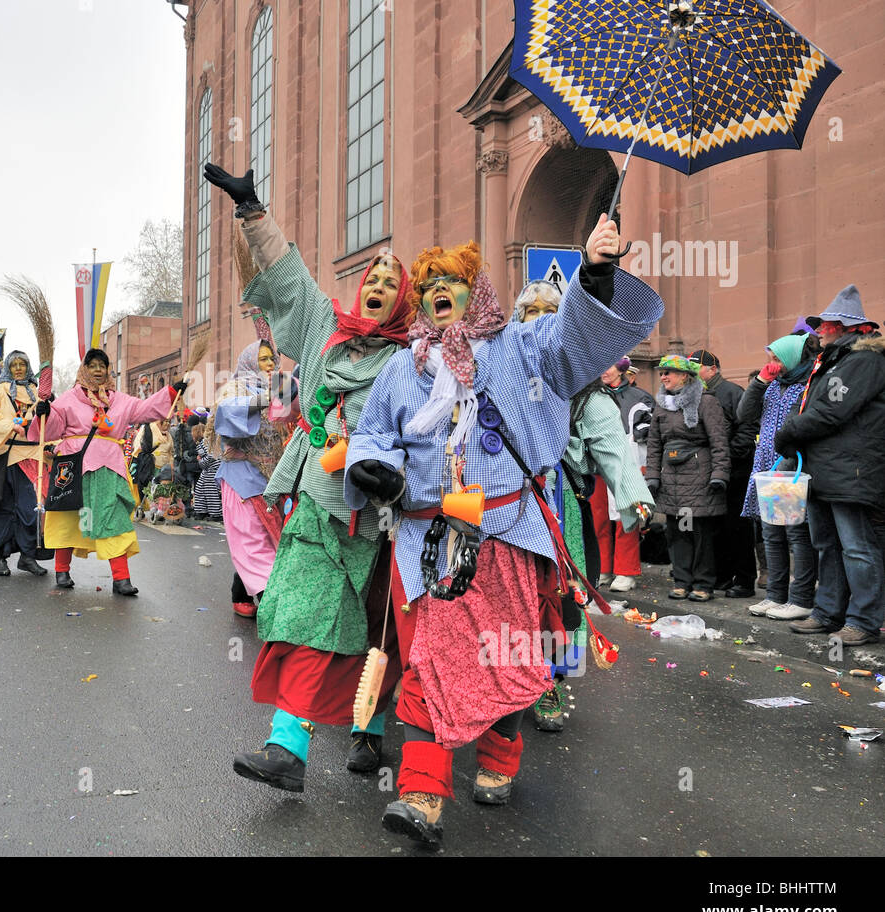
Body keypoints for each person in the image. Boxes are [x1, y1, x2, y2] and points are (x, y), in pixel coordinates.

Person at [343, 212, 662, 844]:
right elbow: (375, 430)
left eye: (451, 280)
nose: (437, 289)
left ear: (475, 289)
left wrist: (596, 273)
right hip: (430, 543)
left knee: (504, 660)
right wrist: (373, 466)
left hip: (509, 534)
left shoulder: (524, 346)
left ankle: (499, 755)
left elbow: (576, 344)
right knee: (431, 663)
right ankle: (422, 798)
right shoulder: (402, 369)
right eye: (428, 280)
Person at [204, 162, 413, 791]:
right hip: (319, 508)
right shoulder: (328, 334)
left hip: (386, 519)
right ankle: (288, 748)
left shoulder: (412, 361)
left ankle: (371, 732)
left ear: (401, 299)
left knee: (381, 626)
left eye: (389, 281)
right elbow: (292, 284)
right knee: (304, 614)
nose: (376, 284)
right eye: (371, 276)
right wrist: (254, 212)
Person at [511, 283, 653, 734]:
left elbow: (611, 443)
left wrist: (632, 495)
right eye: (529, 310)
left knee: (558, 595)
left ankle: (549, 680)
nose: (537, 316)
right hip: (504, 507)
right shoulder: (498, 374)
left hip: (557, 508)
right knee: (510, 597)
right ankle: (508, 680)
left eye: (549, 309)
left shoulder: (587, 391)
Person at [776, 286, 885, 646]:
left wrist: (788, 432)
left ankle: (864, 619)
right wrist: (793, 434)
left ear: (843, 326)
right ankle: (828, 613)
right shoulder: (834, 361)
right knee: (827, 544)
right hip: (826, 470)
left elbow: (830, 412)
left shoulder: (864, 361)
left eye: (824, 325)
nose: (818, 330)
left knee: (857, 547)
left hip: (851, 471)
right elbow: (809, 406)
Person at [34, 347, 178, 595]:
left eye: (103, 365)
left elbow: (145, 409)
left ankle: (121, 578)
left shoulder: (121, 400)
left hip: (108, 468)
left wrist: (172, 392)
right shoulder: (67, 399)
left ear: (108, 370)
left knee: (113, 518)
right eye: (93, 365)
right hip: (73, 468)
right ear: (84, 369)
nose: (98, 369)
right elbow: (50, 430)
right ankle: (61, 571)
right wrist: (42, 414)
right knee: (68, 517)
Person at [206, 337, 289, 618]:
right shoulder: (235, 387)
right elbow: (226, 415)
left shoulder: (283, 388)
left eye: (272, 359)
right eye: (263, 359)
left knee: (267, 539)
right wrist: (262, 400)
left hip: (273, 481)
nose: (269, 364)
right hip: (242, 481)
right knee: (252, 541)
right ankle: (272, 605)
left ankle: (240, 592)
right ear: (250, 361)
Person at [738, 333, 817, 621]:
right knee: (772, 535)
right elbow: (744, 415)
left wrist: (784, 465)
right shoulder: (771, 387)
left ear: (793, 358)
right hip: (767, 470)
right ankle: (775, 596)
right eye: (770, 359)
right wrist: (759, 382)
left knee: (797, 535)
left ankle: (802, 599)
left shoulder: (807, 386)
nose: (772, 364)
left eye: (777, 359)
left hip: (791, 470)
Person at [644, 356, 730, 601]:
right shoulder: (662, 405)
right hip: (671, 477)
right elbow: (654, 445)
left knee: (700, 533)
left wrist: (719, 475)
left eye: (669, 372)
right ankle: (682, 581)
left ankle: (703, 584)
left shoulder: (706, 402)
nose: (663, 377)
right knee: (678, 532)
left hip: (699, 476)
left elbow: (719, 443)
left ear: (685, 376)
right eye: (661, 373)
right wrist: (652, 476)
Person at [0, 349, 50, 578]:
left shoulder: (37, 392)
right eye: (13, 364)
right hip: (4, 457)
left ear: (27, 367)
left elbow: (47, 426)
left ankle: (27, 556)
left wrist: (47, 411)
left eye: (22, 364)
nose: (17, 368)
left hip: (31, 458)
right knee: (2, 509)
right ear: (7, 367)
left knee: (30, 508)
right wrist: (9, 426)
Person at [691, 349, 754, 597]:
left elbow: (748, 429)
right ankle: (723, 576)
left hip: (735, 470)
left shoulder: (731, 392)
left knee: (738, 527)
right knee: (716, 526)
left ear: (712, 369)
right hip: (709, 470)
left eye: (697, 368)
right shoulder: (694, 395)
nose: (692, 373)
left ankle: (745, 580)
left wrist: (726, 456)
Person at [598, 357, 654, 591]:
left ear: (621, 370)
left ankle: (626, 570)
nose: (604, 372)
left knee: (627, 517)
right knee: (597, 519)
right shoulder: (593, 397)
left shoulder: (640, 397)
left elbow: (651, 432)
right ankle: (602, 567)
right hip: (597, 465)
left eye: (608, 366)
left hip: (627, 465)